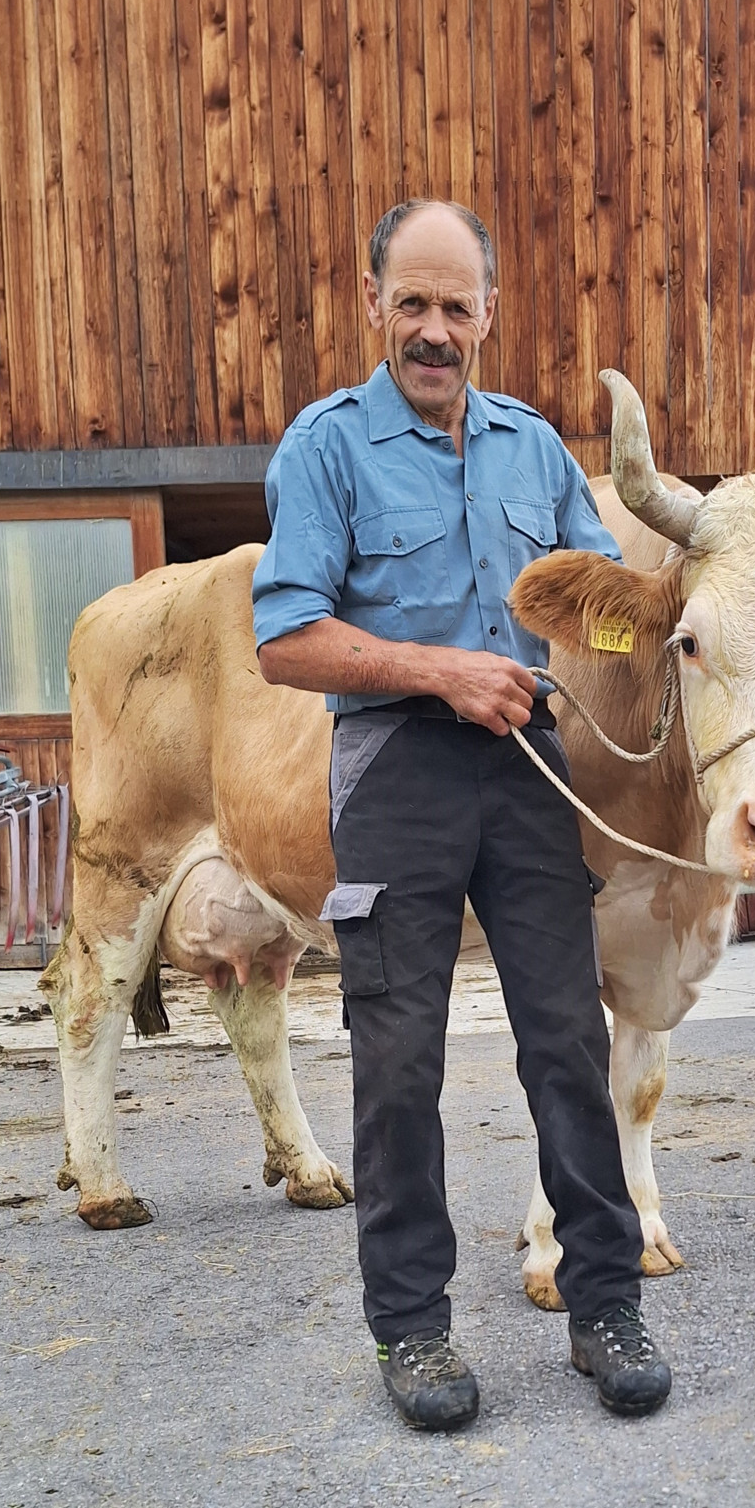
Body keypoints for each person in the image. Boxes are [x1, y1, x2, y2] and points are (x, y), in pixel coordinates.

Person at [252, 199, 672, 1431]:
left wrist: (673, 609)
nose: (435, 330)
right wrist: (441, 668)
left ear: (490, 311)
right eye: (414, 303)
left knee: (566, 1044)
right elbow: (285, 639)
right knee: (399, 1062)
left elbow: (605, 605)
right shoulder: (325, 447)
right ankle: (415, 1331)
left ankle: (603, 1305)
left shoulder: (536, 449)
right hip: (396, 771)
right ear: (371, 299)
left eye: (458, 305)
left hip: (528, 766)